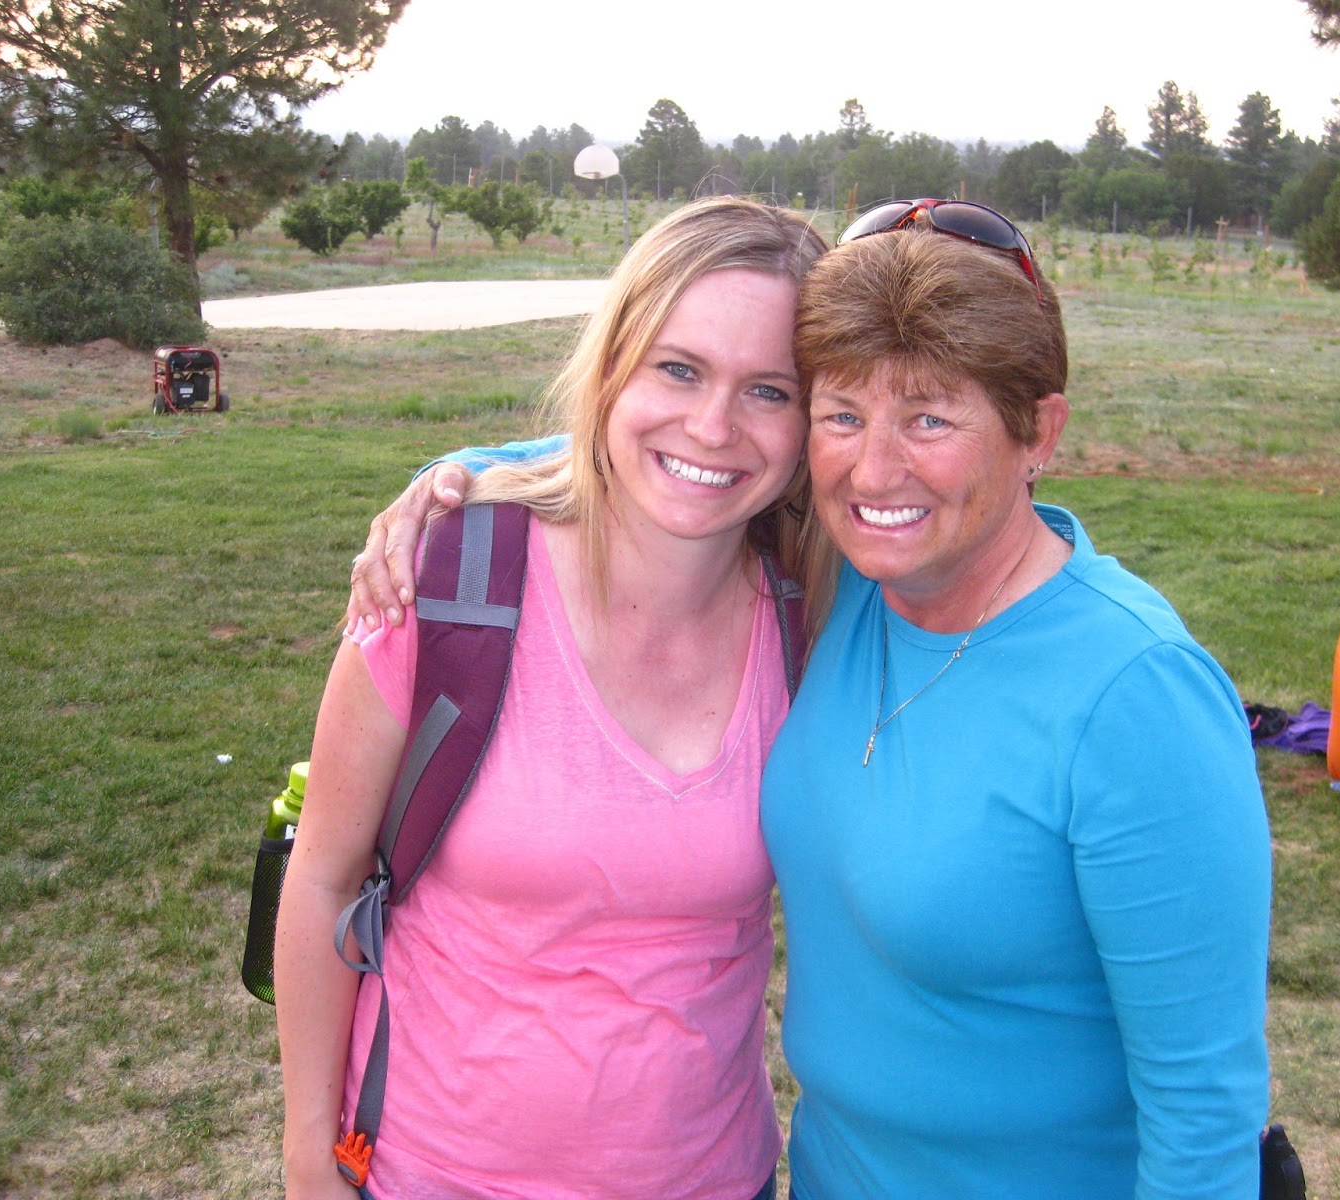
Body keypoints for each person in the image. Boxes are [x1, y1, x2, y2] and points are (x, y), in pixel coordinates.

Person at [349, 200, 1272, 1199]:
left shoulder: (1135, 693)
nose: (874, 470)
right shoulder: (852, 585)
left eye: (930, 418)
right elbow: (679, 456)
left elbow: (1203, 1107)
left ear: (1037, 432)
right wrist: (458, 478)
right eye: (842, 414)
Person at [276, 196, 829, 1200]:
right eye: (678, 368)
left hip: (713, 1178)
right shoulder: (445, 583)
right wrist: (310, 1157)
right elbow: (321, 877)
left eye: (769, 391)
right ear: (613, 366)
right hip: (427, 1176)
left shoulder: (816, 617)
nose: (713, 426)